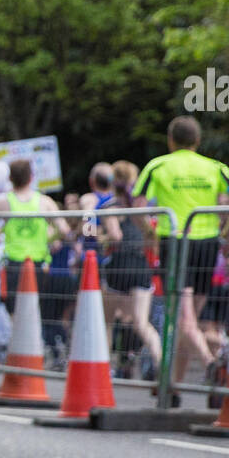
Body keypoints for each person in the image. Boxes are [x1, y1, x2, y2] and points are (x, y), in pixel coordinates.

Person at [133, 115, 229, 405]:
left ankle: (212, 365)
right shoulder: (214, 167)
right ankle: (173, 386)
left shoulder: (158, 166)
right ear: (198, 141)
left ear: (171, 140)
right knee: (189, 321)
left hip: (176, 242)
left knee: (184, 321)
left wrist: (149, 232)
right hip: (208, 245)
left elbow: (136, 206)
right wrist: (227, 232)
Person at [0, 158, 74, 361]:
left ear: (10, 179)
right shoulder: (45, 202)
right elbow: (65, 230)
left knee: (15, 314)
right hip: (39, 264)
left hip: (15, 264)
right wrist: (48, 239)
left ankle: (20, 356)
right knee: (33, 310)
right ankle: (35, 354)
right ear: (32, 177)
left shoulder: (3, 202)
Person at [100, 160, 161, 379]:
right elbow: (151, 238)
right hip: (140, 264)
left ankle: (104, 369)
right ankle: (161, 364)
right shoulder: (141, 208)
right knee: (141, 323)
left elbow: (116, 236)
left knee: (106, 321)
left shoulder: (111, 207)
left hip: (119, 266)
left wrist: (103, 238)